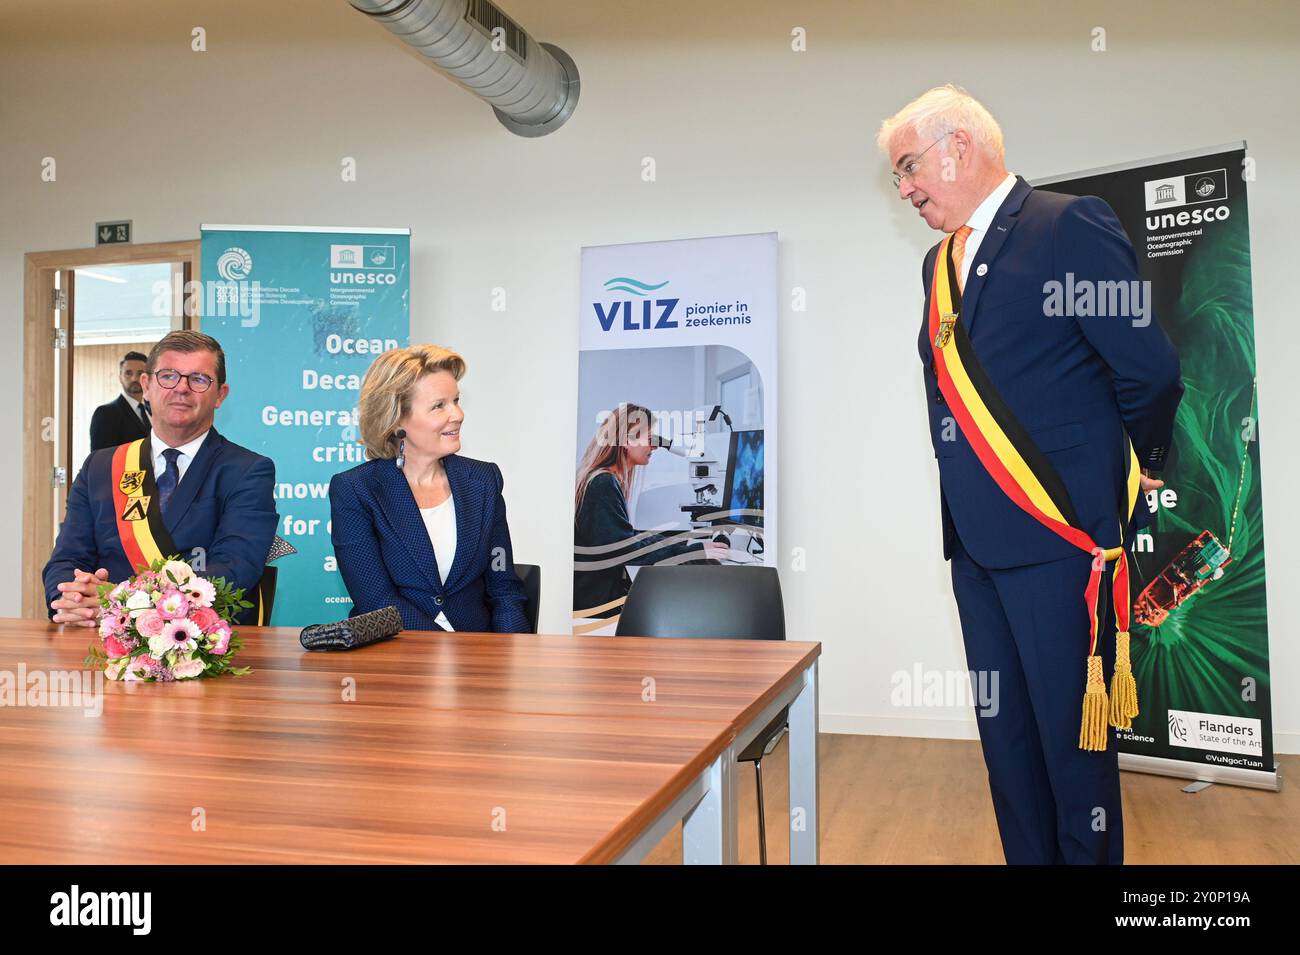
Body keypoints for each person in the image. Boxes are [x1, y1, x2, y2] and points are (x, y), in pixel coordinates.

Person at [877, 85, 1183, 864]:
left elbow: (1147, 370)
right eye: (897, 177)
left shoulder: (1064, 227)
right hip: (975, 551)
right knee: (1008, 758)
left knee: (1072, 761)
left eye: (910, 167)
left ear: (961, 146)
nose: (906, 188)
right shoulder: (935, 265)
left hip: (1058, 544)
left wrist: (1140, 468)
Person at [44, 330, 278, 626]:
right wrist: (73, 599)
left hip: (201, 645)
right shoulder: (100, 467)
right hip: (99, 642)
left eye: (198, 379)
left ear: (220, 395)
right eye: (168, 376)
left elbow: (232, 574)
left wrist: (118, 601)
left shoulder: (248, 471)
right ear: (146, 386)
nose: (181, 388)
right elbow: (66, 560)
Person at [329, 344, 528, 633]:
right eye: (439, 406)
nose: (458, 414)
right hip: (396, 657)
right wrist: (448, 654)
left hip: (477, 655)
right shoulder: (356, 490)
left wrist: (510, 659)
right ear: (396, 419)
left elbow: (504, 591)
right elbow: (376, 600)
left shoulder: (483, 481)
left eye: (456, 400)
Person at [573, 402, 727, 626]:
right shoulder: (603, 483)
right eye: (650, 438)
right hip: (596, 608)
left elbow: (625, 537)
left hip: (596, 598)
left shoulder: (601, 479)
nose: (654, 446)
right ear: (627, 440)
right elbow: (625, 549)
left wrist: (683, 545)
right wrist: (693, 552)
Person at [89, 351, 151, 450]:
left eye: (140, 373)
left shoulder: (153, 411)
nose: (134, 378)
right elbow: (100, 459)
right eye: (128, 373)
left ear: (147, 379)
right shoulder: (106, 413)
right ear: (120, 378)